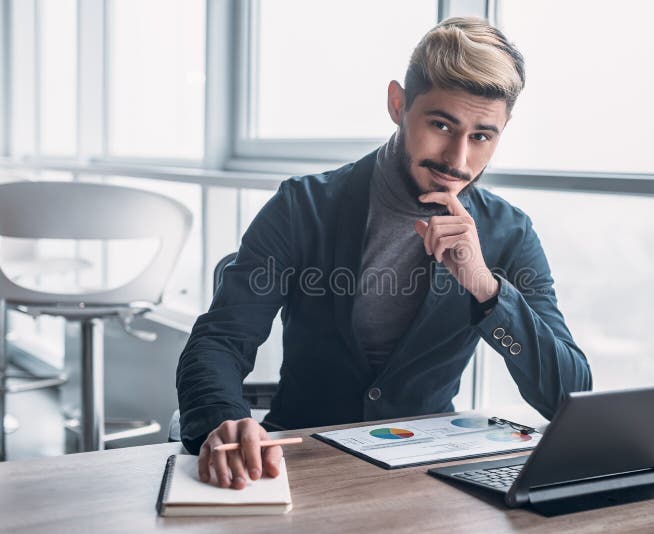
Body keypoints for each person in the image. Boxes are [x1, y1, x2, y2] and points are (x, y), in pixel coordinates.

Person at [176, 16, 592, 489]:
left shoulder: (509, 234)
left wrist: (485, 287)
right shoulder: (302, 207)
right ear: (398, 104)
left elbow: (570, 396)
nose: (458, 160)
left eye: (481, 136)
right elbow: (220, 340)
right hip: (301, 465)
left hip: (428, 479)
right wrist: (223, 421)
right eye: (441, 125)